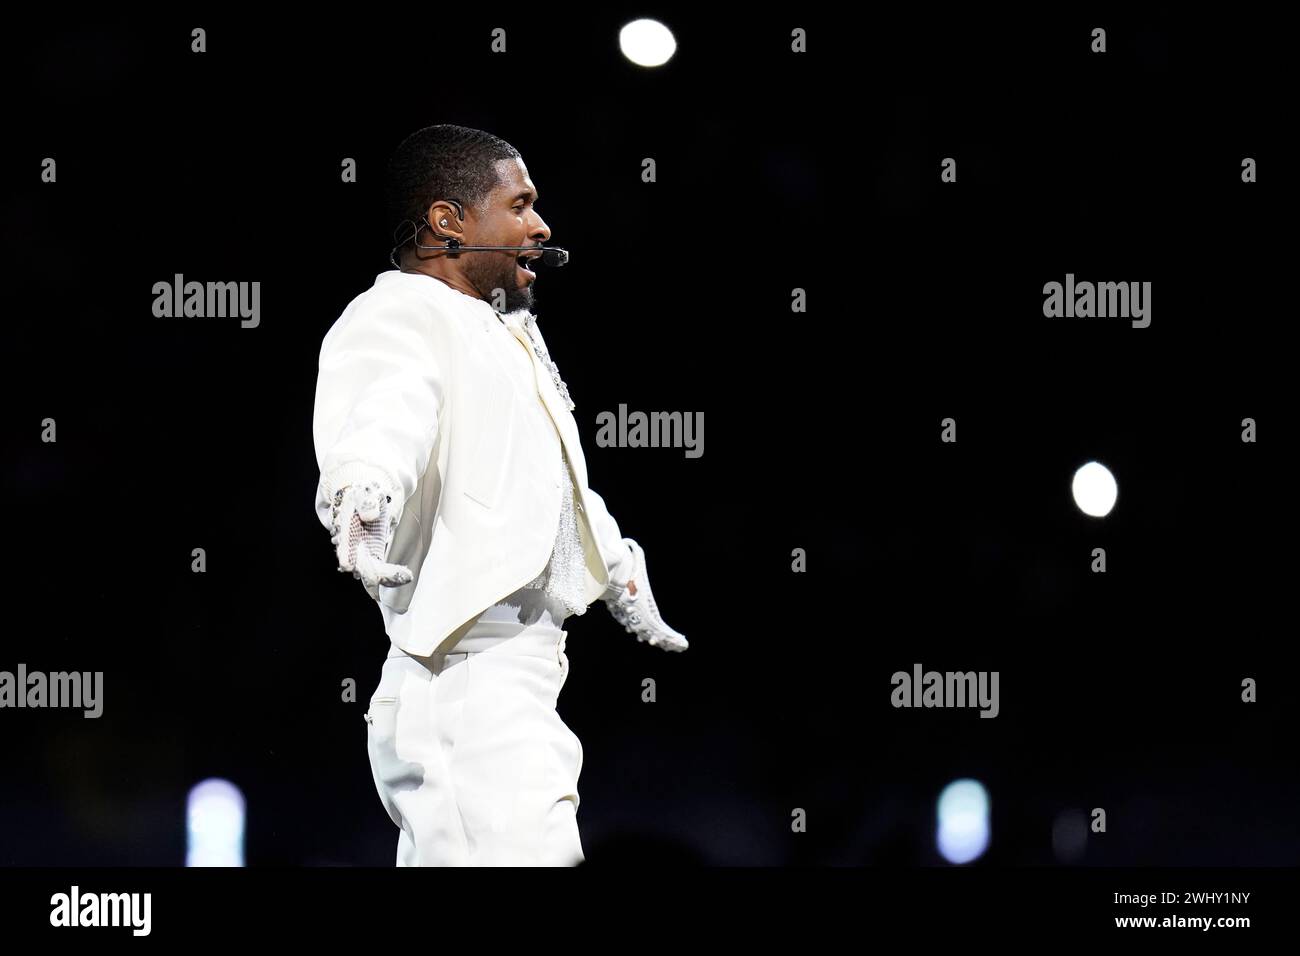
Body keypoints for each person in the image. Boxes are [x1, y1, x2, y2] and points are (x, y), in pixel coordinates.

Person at [311, 124, 687, 866]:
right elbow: (384, 416)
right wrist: (361, 495)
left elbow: (551, 477)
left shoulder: (504, 334)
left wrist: (616, 567)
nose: (540, 226)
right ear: (448, 224)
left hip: (520, 683)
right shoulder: (401, 312)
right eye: (520, 205)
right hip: (463, 684)